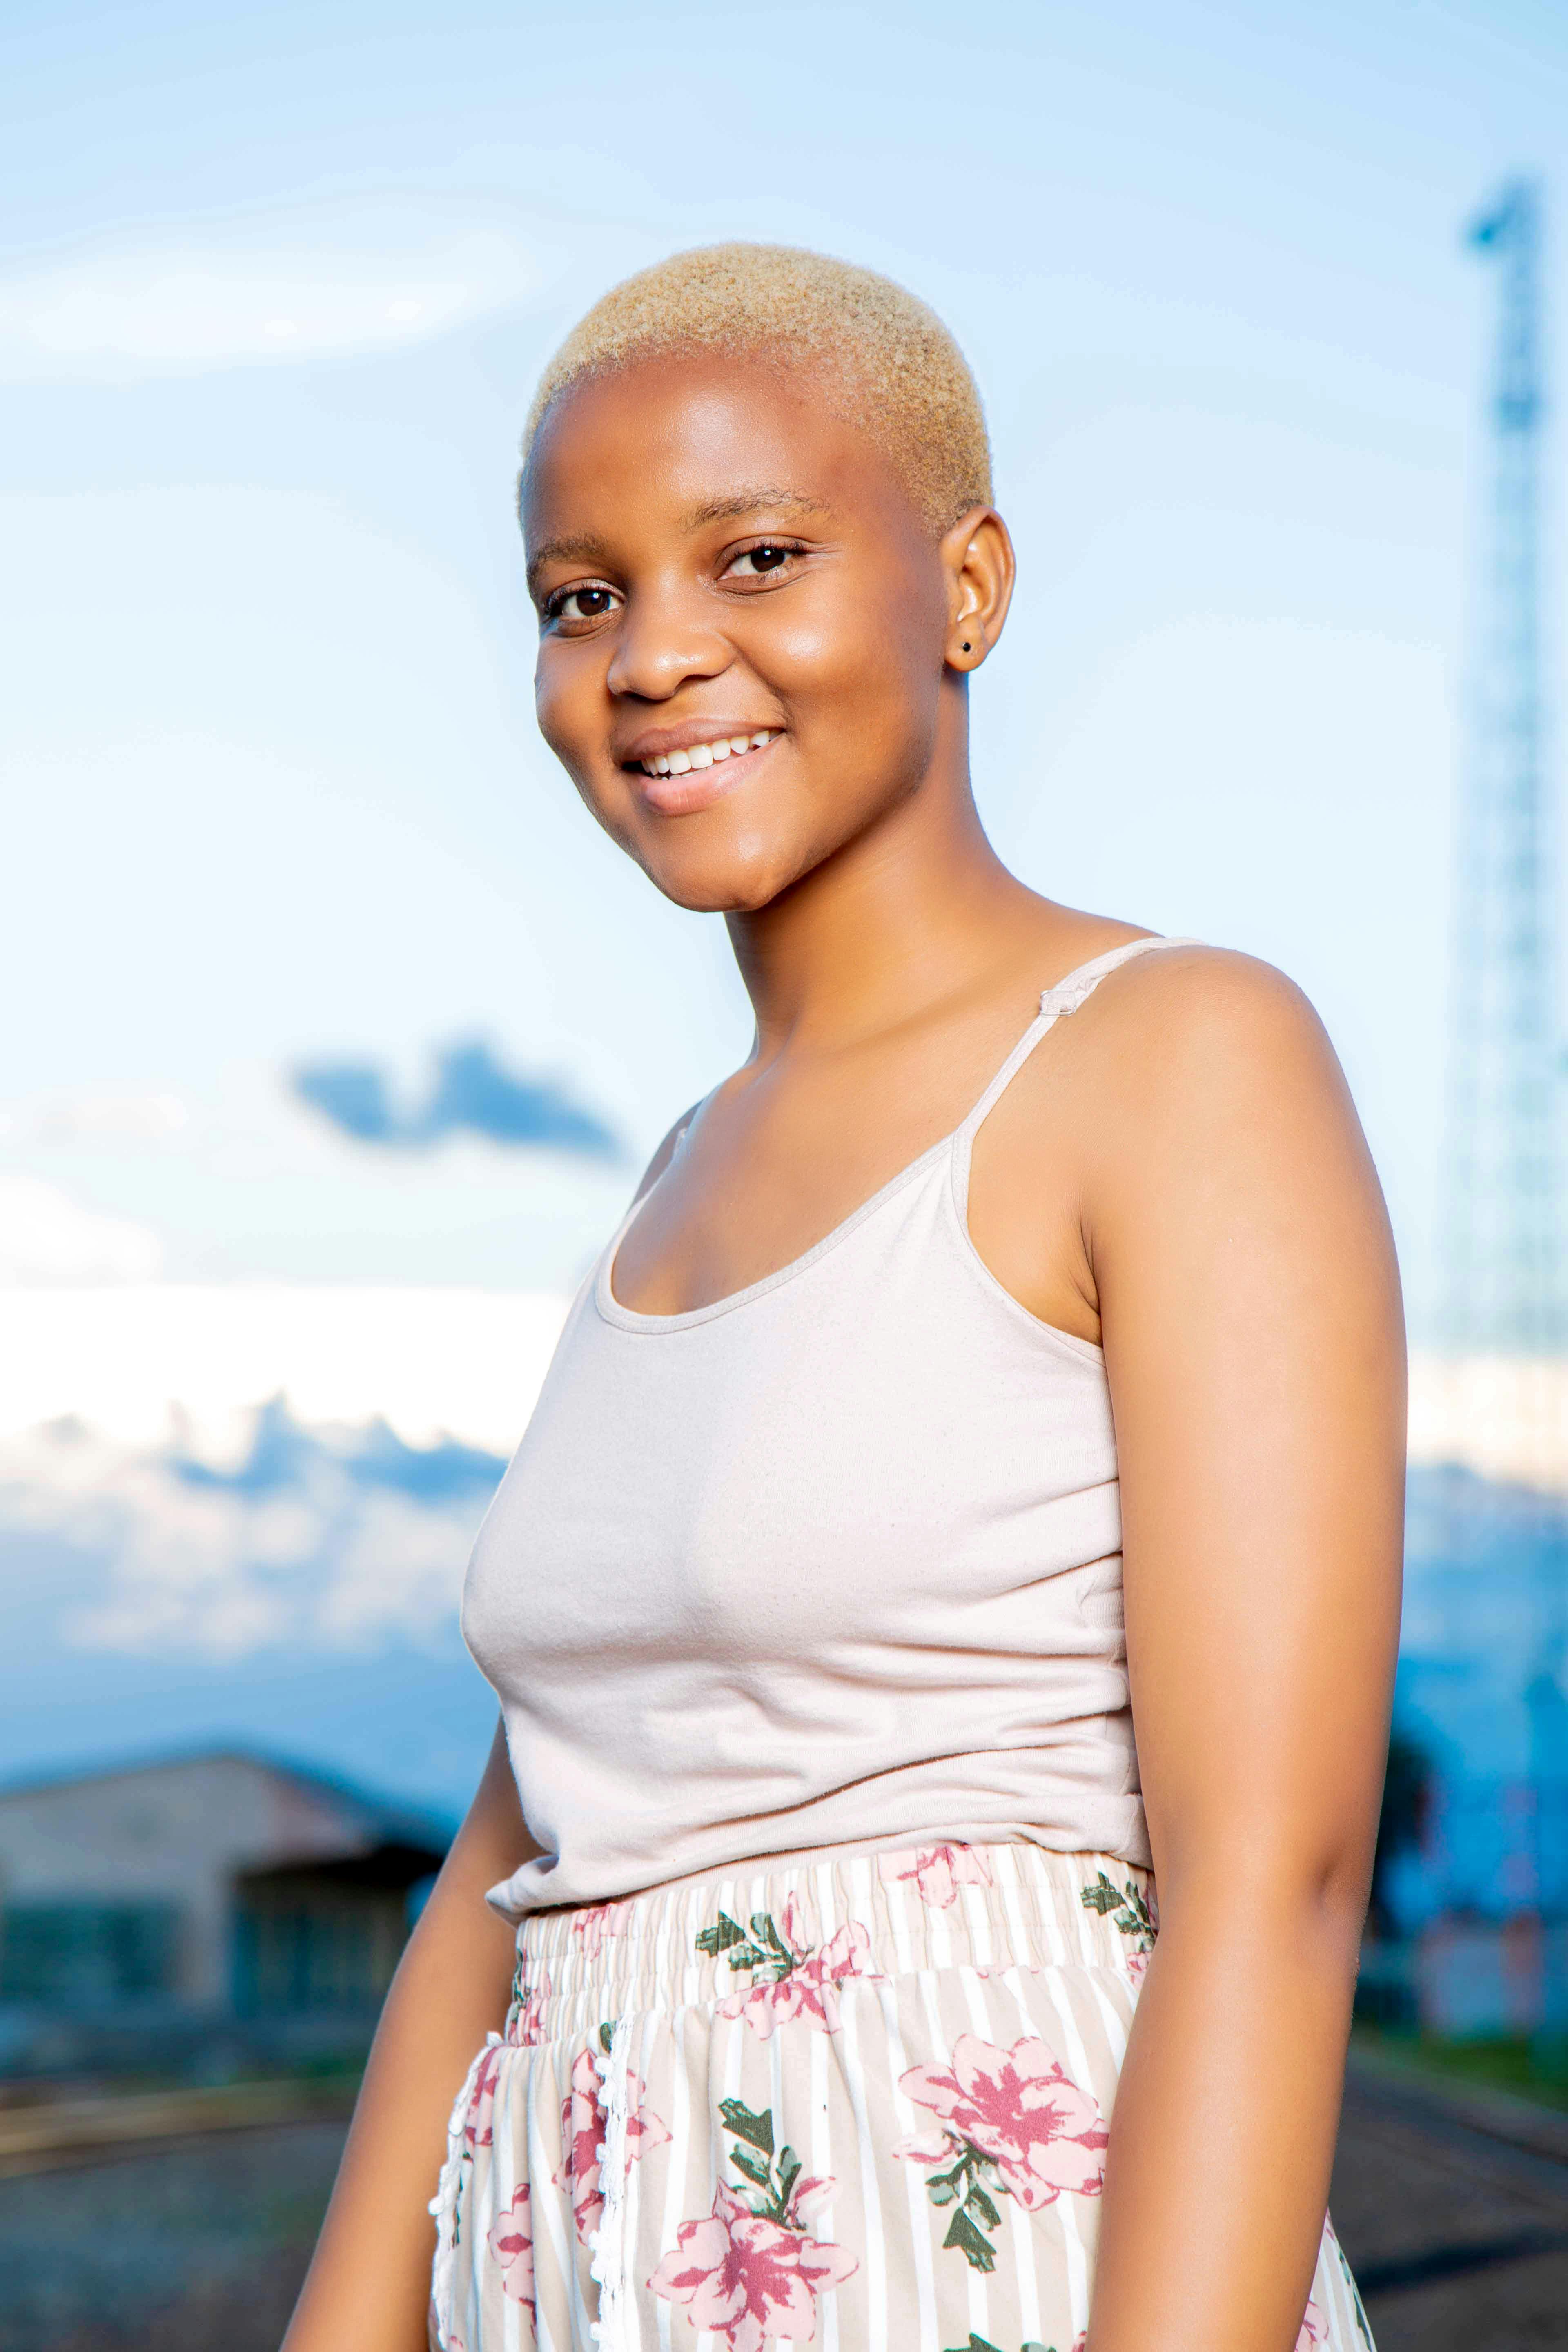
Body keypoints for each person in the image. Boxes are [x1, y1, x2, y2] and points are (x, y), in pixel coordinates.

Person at [283, 244, 1403, 2352]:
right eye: (581, 596)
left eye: (758, 556)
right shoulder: (668, 1187)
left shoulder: (1175, 1057)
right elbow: (519, 1863)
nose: (651, 654)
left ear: (968, 588)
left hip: (967, 2260)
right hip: (582, 2281)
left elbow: (1277, 1875)